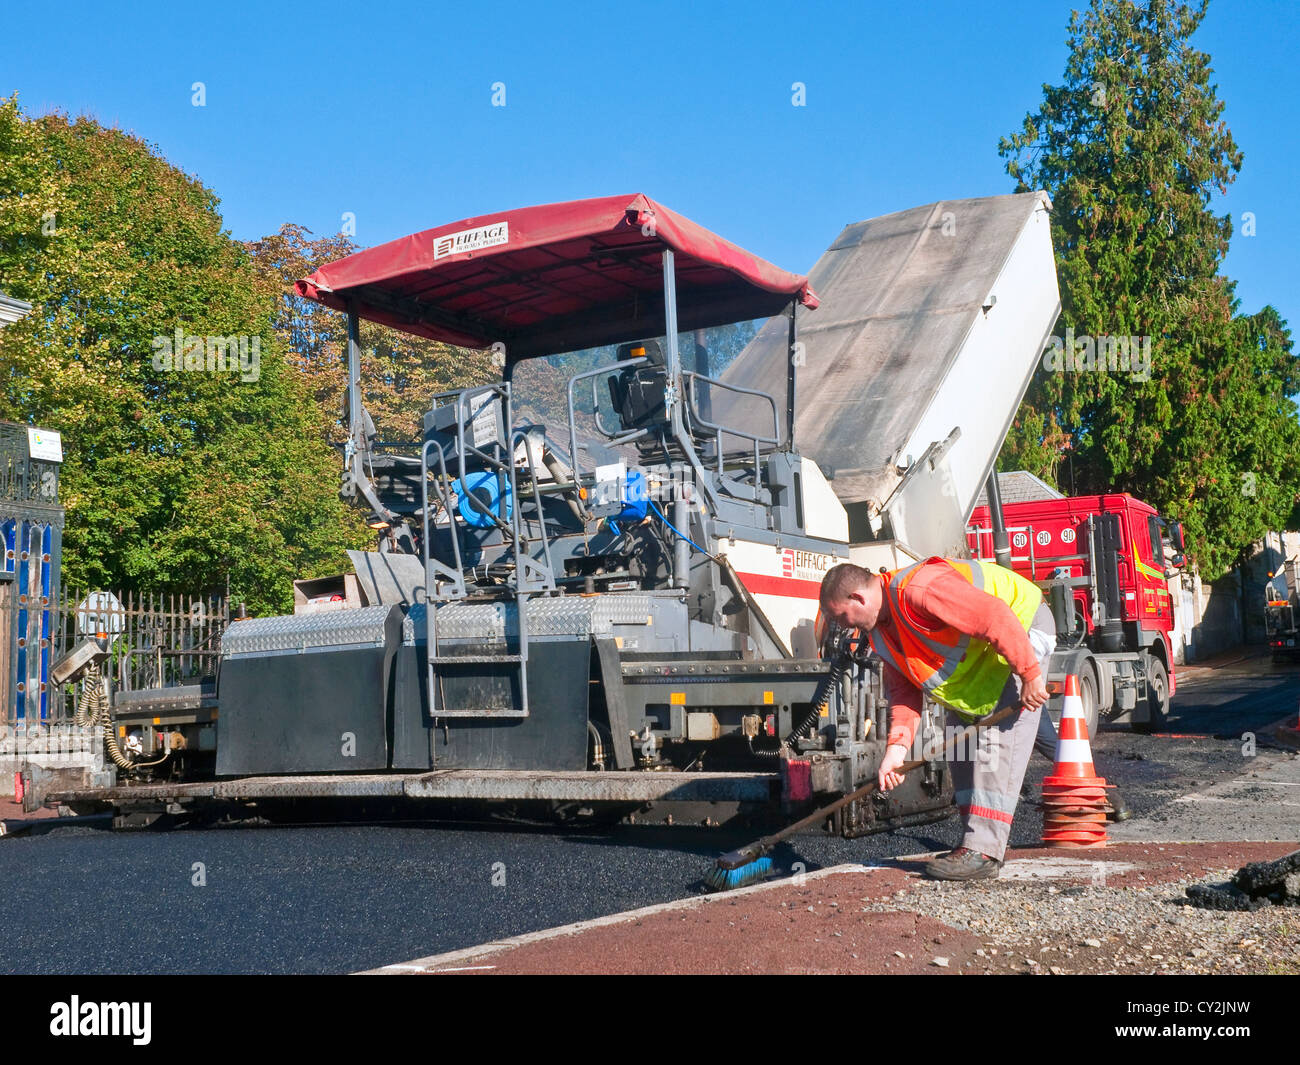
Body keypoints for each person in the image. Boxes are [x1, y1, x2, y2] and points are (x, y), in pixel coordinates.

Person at [819, 557, 1055, 881]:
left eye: (842, 617)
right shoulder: (882, 634)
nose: (845, 627)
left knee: (994, 747)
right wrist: (896, 752)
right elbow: (904, 693)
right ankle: (971, 845)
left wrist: (1029, 673)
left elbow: (995, 615)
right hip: (982, 671)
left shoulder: (920, 588)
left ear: (858, 598)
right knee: (960, 752)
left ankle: (983, 851)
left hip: (1022, 626)